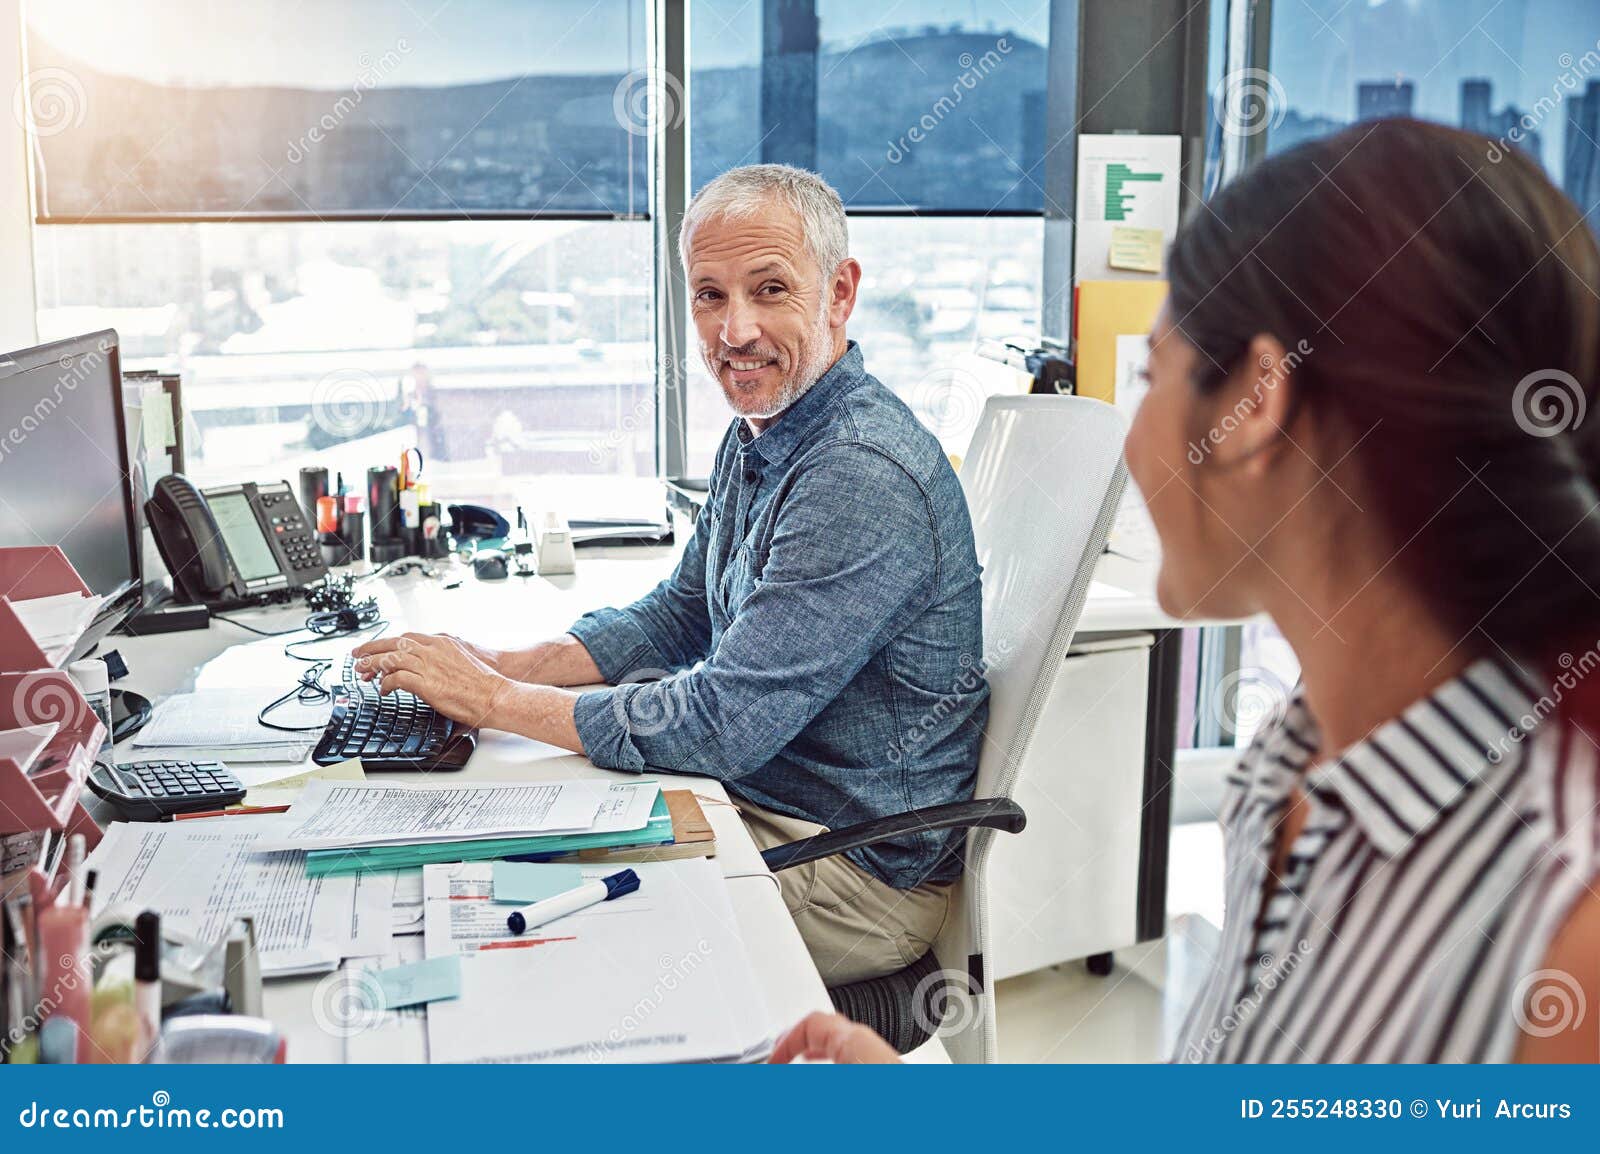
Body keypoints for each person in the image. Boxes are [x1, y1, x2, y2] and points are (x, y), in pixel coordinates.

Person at [769, 118, 1600, 1063]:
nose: (1134, 440)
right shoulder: (1288, 764)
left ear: (1251, 408)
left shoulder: (1564, 938)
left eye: (1154, 376)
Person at [352, 164, 988, 985]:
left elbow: (722, 722)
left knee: (515, 935)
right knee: (482, 860)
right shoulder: (767, 427)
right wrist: (501, 667)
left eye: (768, 290)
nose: (735, 331)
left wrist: (496, 704)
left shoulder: (857, 474)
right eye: (710, 296)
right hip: (759, 804)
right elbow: (678, 615)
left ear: (838, 294)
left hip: (849, 870)